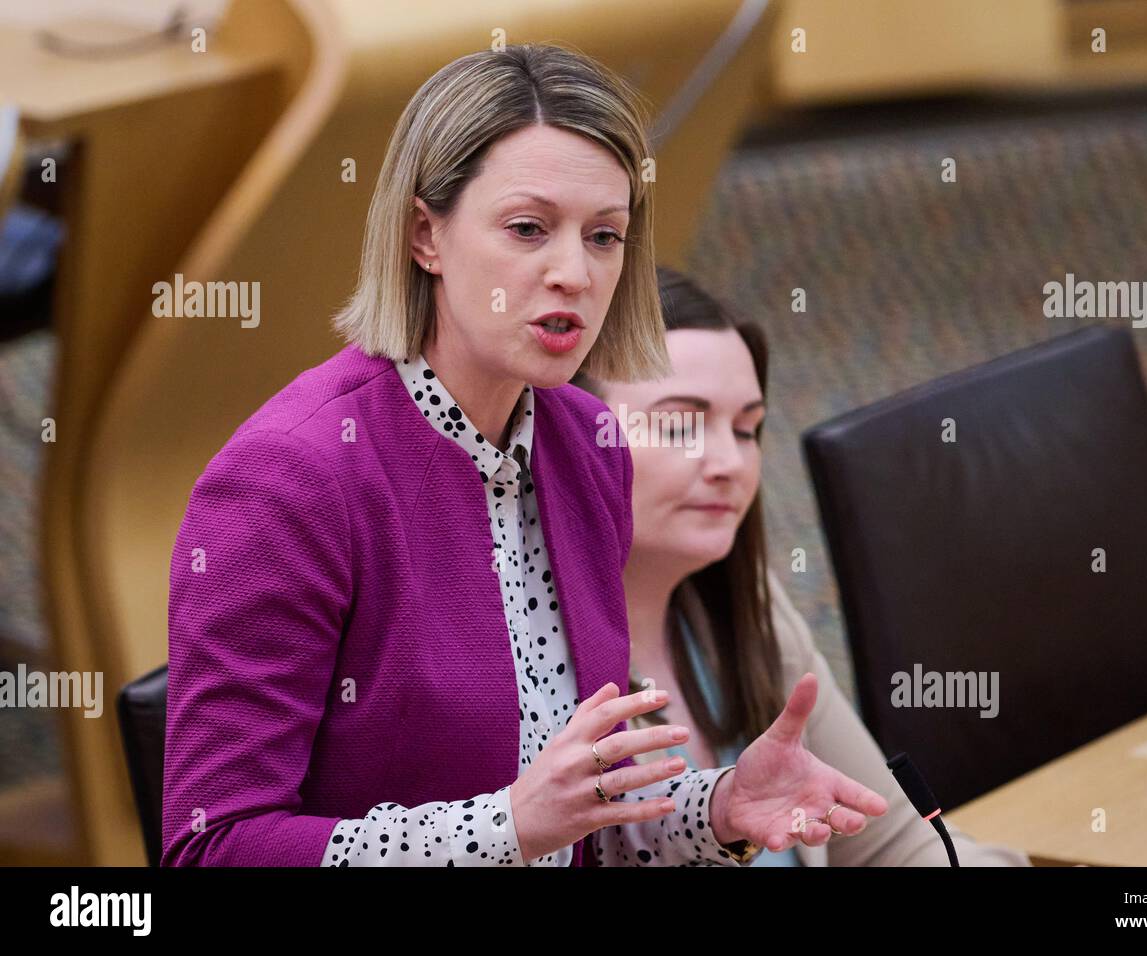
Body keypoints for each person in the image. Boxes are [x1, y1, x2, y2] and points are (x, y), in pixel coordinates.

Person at [162, 44, 889, 868]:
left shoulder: (588, 446)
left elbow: (580, 824)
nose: (574, 273)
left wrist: (716, 805)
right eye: (528, 229)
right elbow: (211, 847)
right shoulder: (290, 480)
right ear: (424, 234)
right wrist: (505, 826)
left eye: (605, 236)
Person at [572, 267, 1032, 866]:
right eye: (682, 423)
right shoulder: (536, 681)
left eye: (746, 429)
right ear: (571, 433)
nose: (729, 463)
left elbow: (895, 846)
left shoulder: (747, 612)